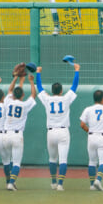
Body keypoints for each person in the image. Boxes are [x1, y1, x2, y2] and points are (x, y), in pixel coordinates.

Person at [37, 61, 80, 191]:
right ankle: (60, 184)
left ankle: (53, 182)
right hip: (63, 132)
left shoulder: (47, 99)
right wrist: (77, 71)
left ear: (52, 91)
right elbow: (74, 87)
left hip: (50, 132)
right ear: (61, 91)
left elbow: (39, 88)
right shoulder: (65, 98)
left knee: (52, 158)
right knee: (63, 159)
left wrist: (38, 73)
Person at [3, 65, 37, 191]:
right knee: (16, 162)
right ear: (22, 95)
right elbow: (34, 95)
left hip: (6, 135)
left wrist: (16, 78)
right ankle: (11, 183)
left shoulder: (8, 101)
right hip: (17, 136)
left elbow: (9, 91)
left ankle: (9, 181)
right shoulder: (24, 105)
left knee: (8, 161)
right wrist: (31, 82)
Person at [79, 88, 103, 191]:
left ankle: (92, 185)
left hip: (91, 136)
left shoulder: (88, 109)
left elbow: (82, 124)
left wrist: (89, 131)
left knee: (92, 161)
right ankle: (98, 180)